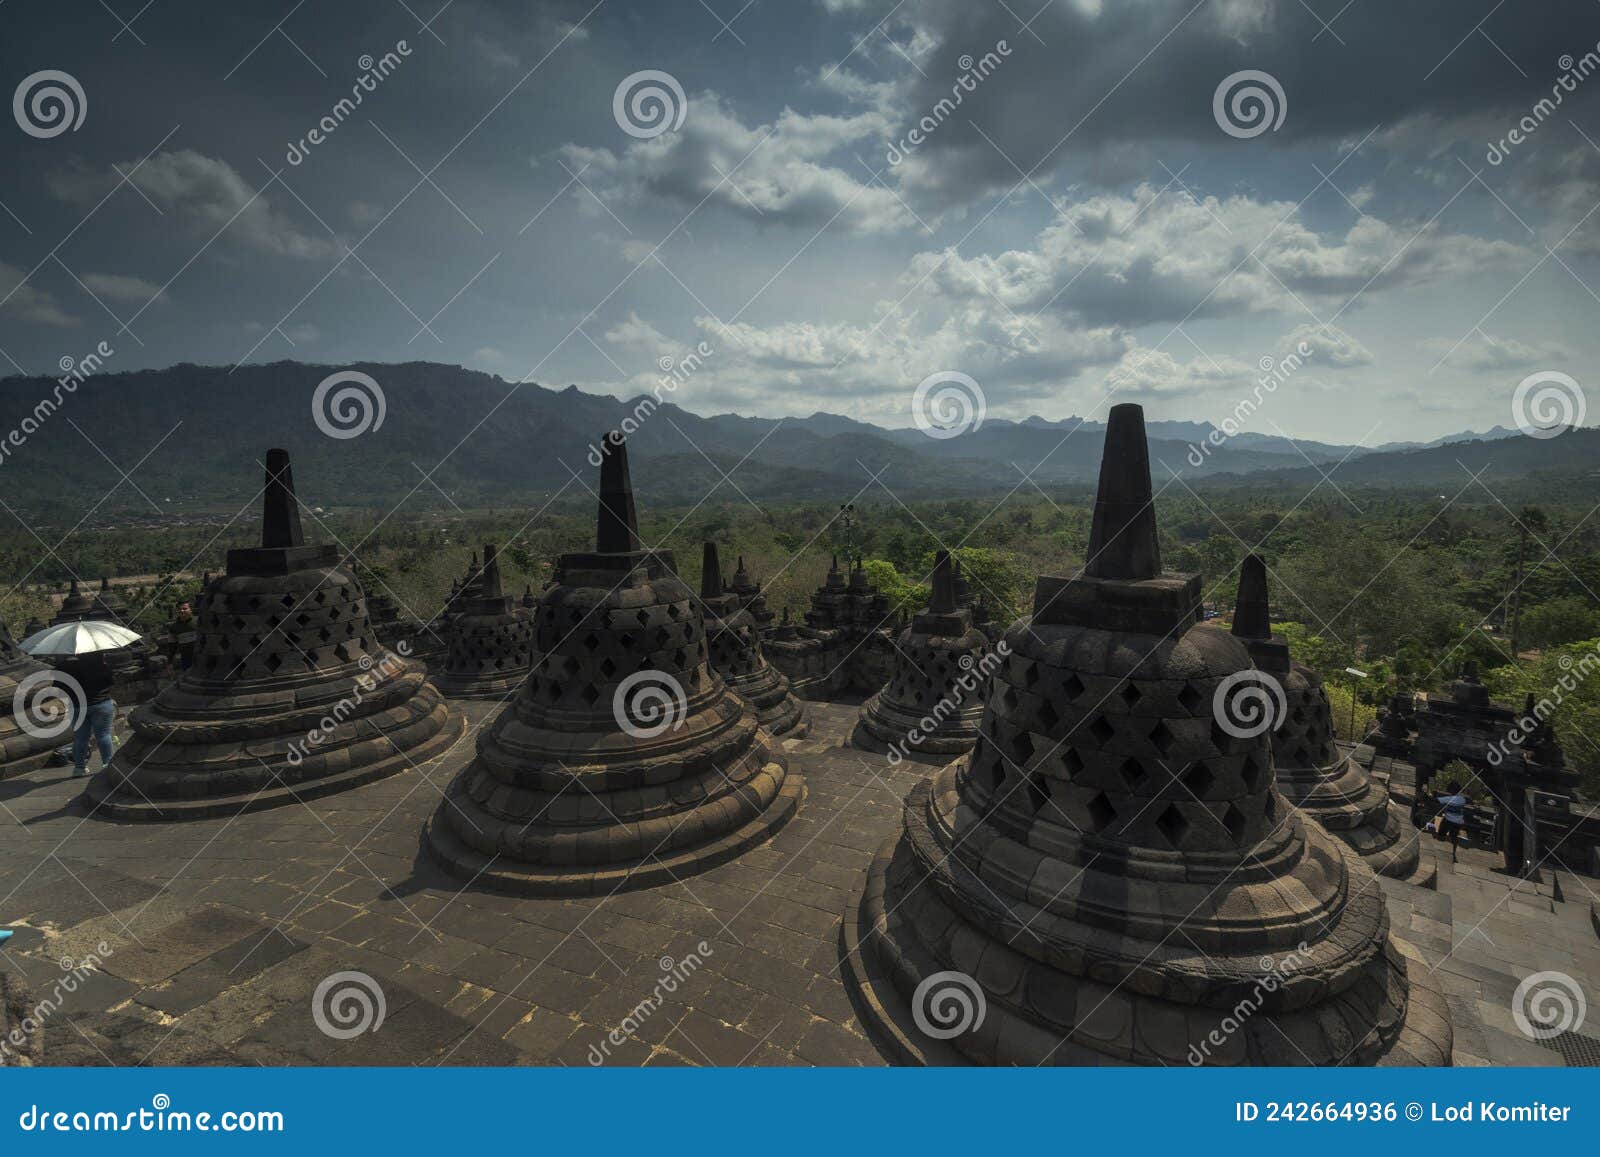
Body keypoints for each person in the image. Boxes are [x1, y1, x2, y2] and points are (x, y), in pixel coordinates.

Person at [56, 652, 116, 778]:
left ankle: (79, 768)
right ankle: (108, 764)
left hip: (78, 706)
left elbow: (59, 687)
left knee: (80, 738)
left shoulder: (65, 667)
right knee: (103, 735)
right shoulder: (101, 664)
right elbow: (111, 682)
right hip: (101, 703)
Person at [1434, 780, 1468, 864]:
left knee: (1441, 834)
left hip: (1449, 820)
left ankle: (1439, 849)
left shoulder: (1450, 799)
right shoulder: (1462, 799)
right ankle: (1453, 854)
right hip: (1458, 822)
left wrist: (1432, 796)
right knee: (1454, 837)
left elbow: (1437, 800)